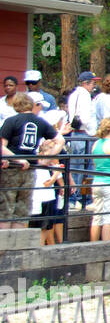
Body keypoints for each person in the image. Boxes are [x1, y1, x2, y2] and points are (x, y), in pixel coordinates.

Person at [0, 93, 64, 230]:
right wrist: (47, 159)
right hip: (30, 170)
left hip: (11, 169)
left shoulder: (11, 121)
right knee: (22, 209)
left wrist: (18, 159)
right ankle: (16, 246)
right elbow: (60, 141)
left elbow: (2, 147)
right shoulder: (40, 122)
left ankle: (3, 247)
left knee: (6, 208)